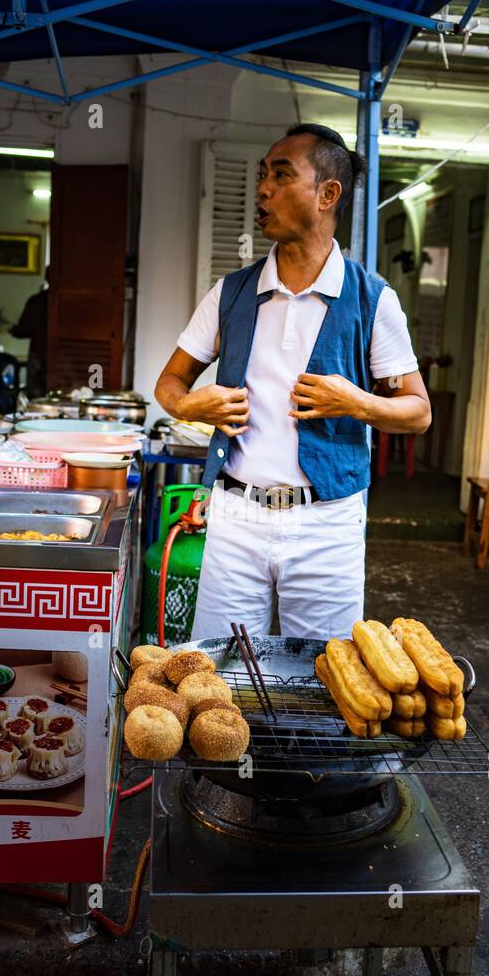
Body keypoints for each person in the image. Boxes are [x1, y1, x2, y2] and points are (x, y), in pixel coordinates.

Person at [154, 123, 431, 640]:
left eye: (282, 175)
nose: (263, 188)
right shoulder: (231, 294)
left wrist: (357, 401)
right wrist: (194, 406)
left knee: (327, 679)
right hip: (236, 515)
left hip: (327, 524)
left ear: (328, 194)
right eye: (263, 175)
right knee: (223, 675)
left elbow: (417, 411)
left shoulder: (372, 300)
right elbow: (169, 383)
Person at [12, 267, 49, 398]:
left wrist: (14, 330)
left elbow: (23, 329)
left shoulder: (36, 301)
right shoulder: (67, 300)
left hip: (38, 353)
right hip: (62, 355)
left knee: (35, 395)